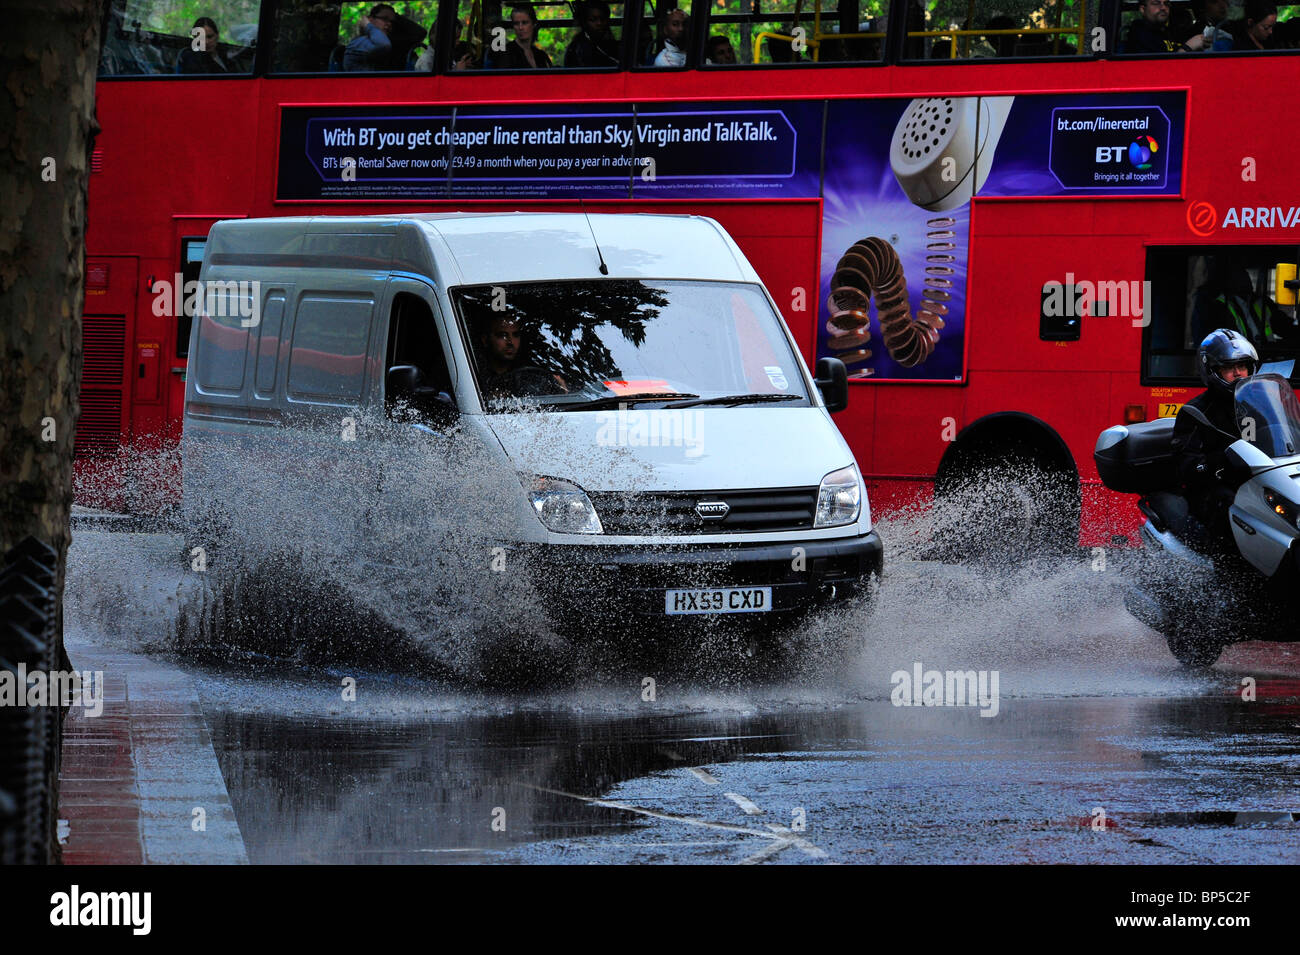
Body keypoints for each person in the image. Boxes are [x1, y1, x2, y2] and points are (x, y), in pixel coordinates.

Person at [1171, 329, 1258, 553]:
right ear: (1212, 371)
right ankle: (1226, 576)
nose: (1239, 374)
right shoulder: (1195, 412)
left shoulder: (1259, 406)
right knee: (1231, 508)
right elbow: (1187, 468)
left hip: (1255, 483)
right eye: (1230, 368)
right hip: (1214, 490)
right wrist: (1222, 463)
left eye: (1243, 366)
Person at [477, 316, 566, 399]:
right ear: (485, 340)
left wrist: (562, 392)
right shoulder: (473, 373)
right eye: (503, 335)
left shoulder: (533, 373)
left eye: (515, 335)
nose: (510, 342)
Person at [1121, 0, 1205, 52]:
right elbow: (1158, 69)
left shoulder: (1171, 31)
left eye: (1166, 3)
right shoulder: (1139, 33)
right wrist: (1187, 48)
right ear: (1143, 9)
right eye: (1156, 3)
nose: (1163, 7)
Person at [494, 4, 552, 68]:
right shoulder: (506, 54)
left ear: (534, 24)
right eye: (516, 23)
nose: (520, 27)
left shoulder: (541, 55)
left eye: (525, 23)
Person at [564, 0, 620, 67]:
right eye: (593, 20)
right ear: (584, 23)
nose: (599, 23)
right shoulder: (577, 49)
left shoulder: (612, 45)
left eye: (602, 19)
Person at [344, 4, 397, 71]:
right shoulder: (359, 42)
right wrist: (368, 25)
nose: (389, 24)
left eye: (392, 21)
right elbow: (384, 45)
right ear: (370, 20)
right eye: (384, 19)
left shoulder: (384, 41)